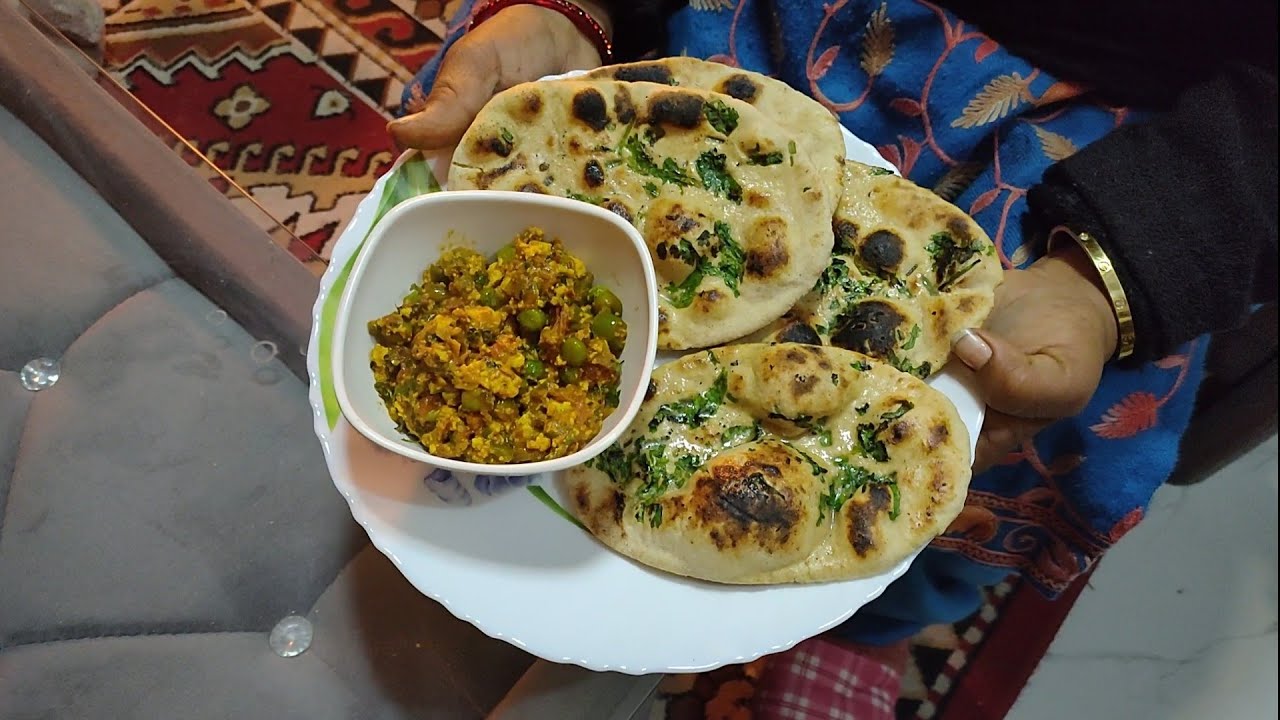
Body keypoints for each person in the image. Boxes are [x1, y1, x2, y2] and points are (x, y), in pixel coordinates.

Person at [389, 1, 1277, 716]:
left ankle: (874, 624)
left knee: (984, 455)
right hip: (734, 45)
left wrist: (1108, 270)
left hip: (1130, 166)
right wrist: (580, 12)